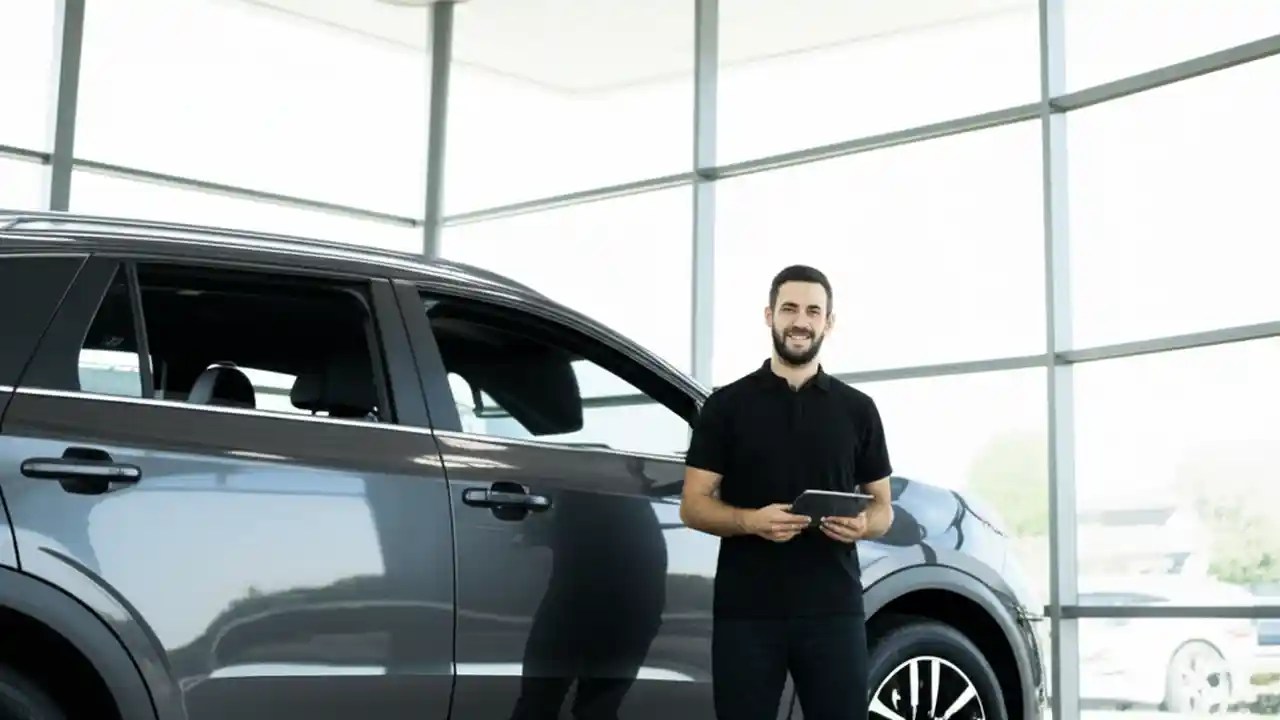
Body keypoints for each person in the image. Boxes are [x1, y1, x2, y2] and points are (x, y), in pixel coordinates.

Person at [679, 264, 895, 720]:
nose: (801, 321)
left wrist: (861, 526)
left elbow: (883, 510)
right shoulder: (726, 406)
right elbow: (692, 506)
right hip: (747, 611)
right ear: (769, 315)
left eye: (813, 311)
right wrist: (749, 521)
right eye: (789, 308)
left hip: (834, 611)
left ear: (828, 322)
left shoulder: (858, 410)